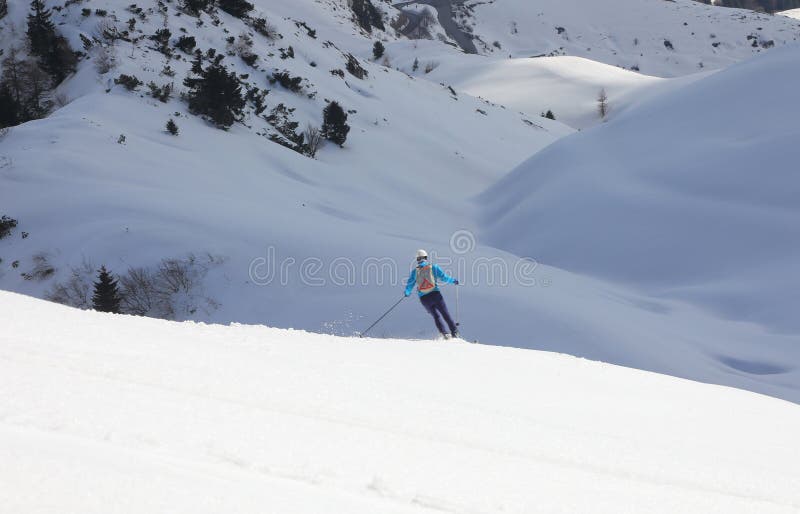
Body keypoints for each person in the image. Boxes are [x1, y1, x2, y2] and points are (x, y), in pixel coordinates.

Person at [404, 249, 460, 339]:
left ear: (417, 259)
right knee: (445, 314)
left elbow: (410, 284)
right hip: (435, 295)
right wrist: (453, 280)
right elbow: (444, 278)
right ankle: (454, 332)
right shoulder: (433, 267)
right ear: (426, 258)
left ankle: (444, 334)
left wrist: (407, 292)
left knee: (436, 316)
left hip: (424, 298)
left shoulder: (415, 272)